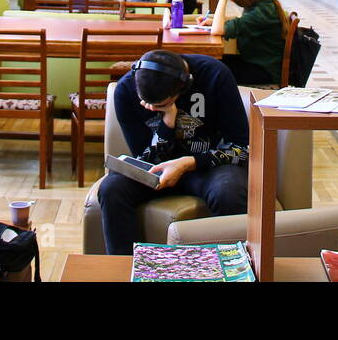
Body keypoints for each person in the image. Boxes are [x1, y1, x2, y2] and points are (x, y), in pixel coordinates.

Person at [98, 50, 249, 255]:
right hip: (159, 168)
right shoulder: (126, 90)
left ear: (184, 86)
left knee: (228, 191)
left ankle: (228, 266)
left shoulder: (214, 74)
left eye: (161, 105)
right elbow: (146, 157)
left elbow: (242, 148)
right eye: (149, 105)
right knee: (111, 188)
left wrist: (188, 163)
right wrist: (167, 122)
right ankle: (124, 267)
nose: (152, 109)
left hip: (207, 168)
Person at [202, 0, 288, 87]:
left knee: (208, 69)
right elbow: (241, 23)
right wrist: (214, 22)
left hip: (264, 70)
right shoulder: (263, 4)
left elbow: (217, 31)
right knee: (208, 62)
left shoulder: (260, 13)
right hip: (256, 62)